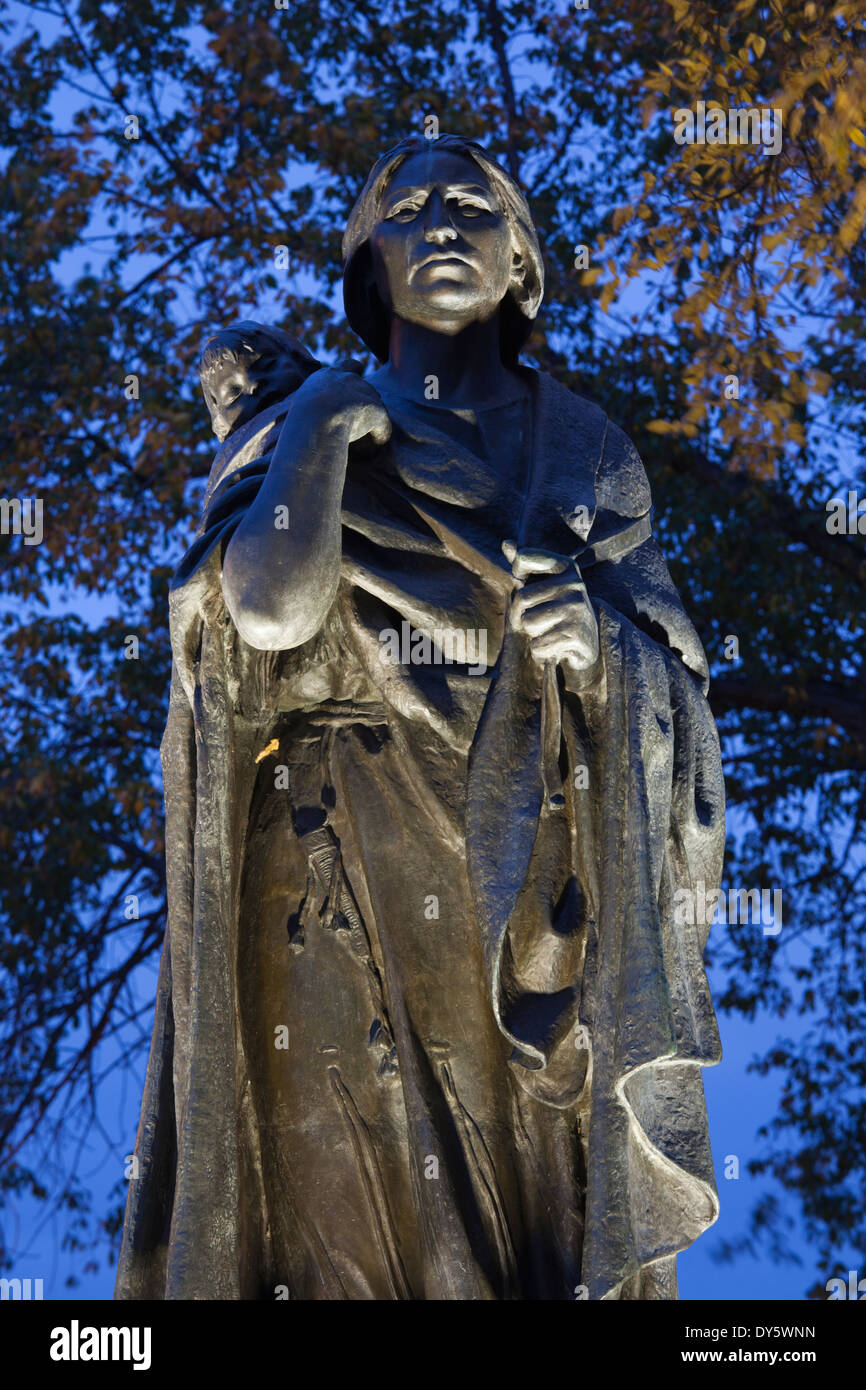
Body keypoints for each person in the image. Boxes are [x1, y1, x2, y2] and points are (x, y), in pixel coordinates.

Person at [115, 134, 725, 1301]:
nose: (442, 223)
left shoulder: (588, 455)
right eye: (407, 209)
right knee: (348, 1227)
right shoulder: (295, 428)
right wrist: (322, 427)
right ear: (368, 266)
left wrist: (594, 652)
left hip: (533, 908)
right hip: (338, 879)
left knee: (535, 1242)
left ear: (521, 265)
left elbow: (676, 711)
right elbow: (263, 616)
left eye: (472, 205)